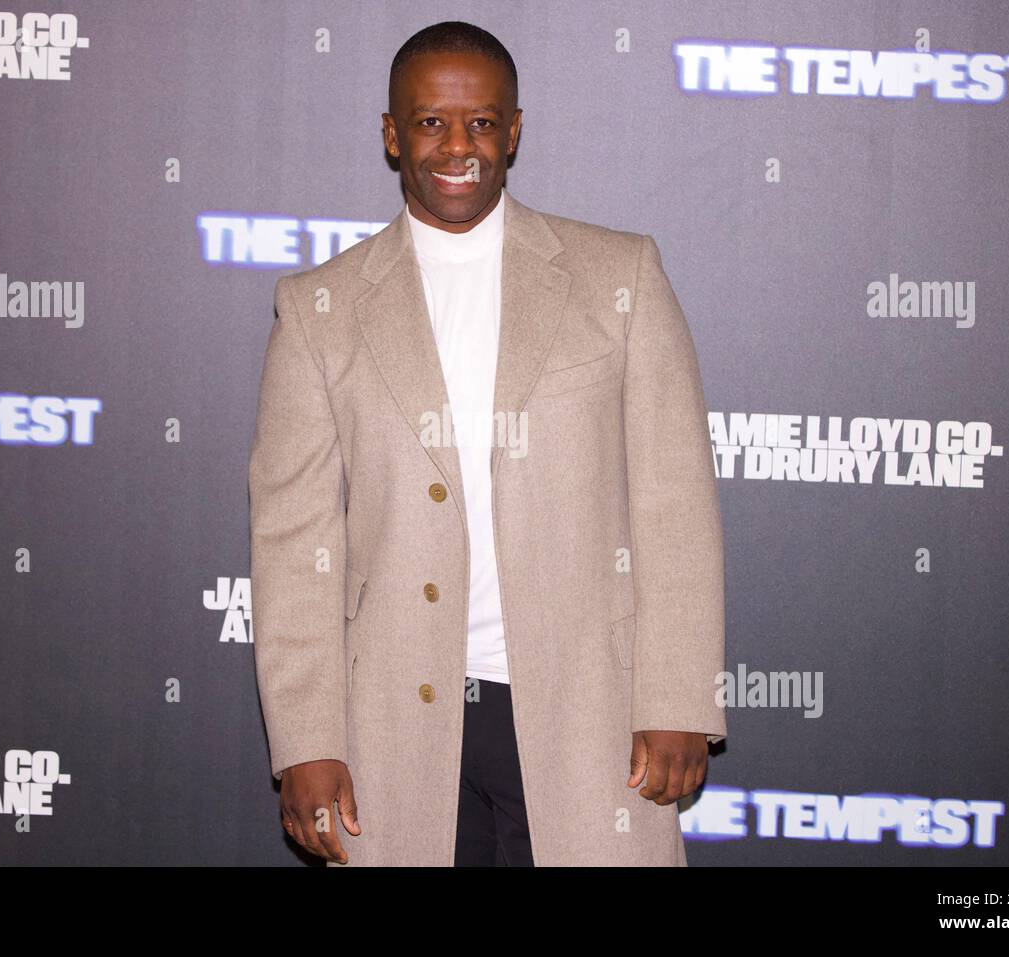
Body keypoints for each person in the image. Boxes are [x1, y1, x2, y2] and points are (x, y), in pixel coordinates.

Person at [249, 20, 726, 866]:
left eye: (480, 121)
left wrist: (678, 693)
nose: (457, 144)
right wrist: (306, 738)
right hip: (393, 728)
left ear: (513, 130)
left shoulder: (621, 277)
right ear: (393, 136)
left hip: (589, 713)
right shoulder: (318, 309)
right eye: (431, 121)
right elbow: (295, 543)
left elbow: (674, 504)